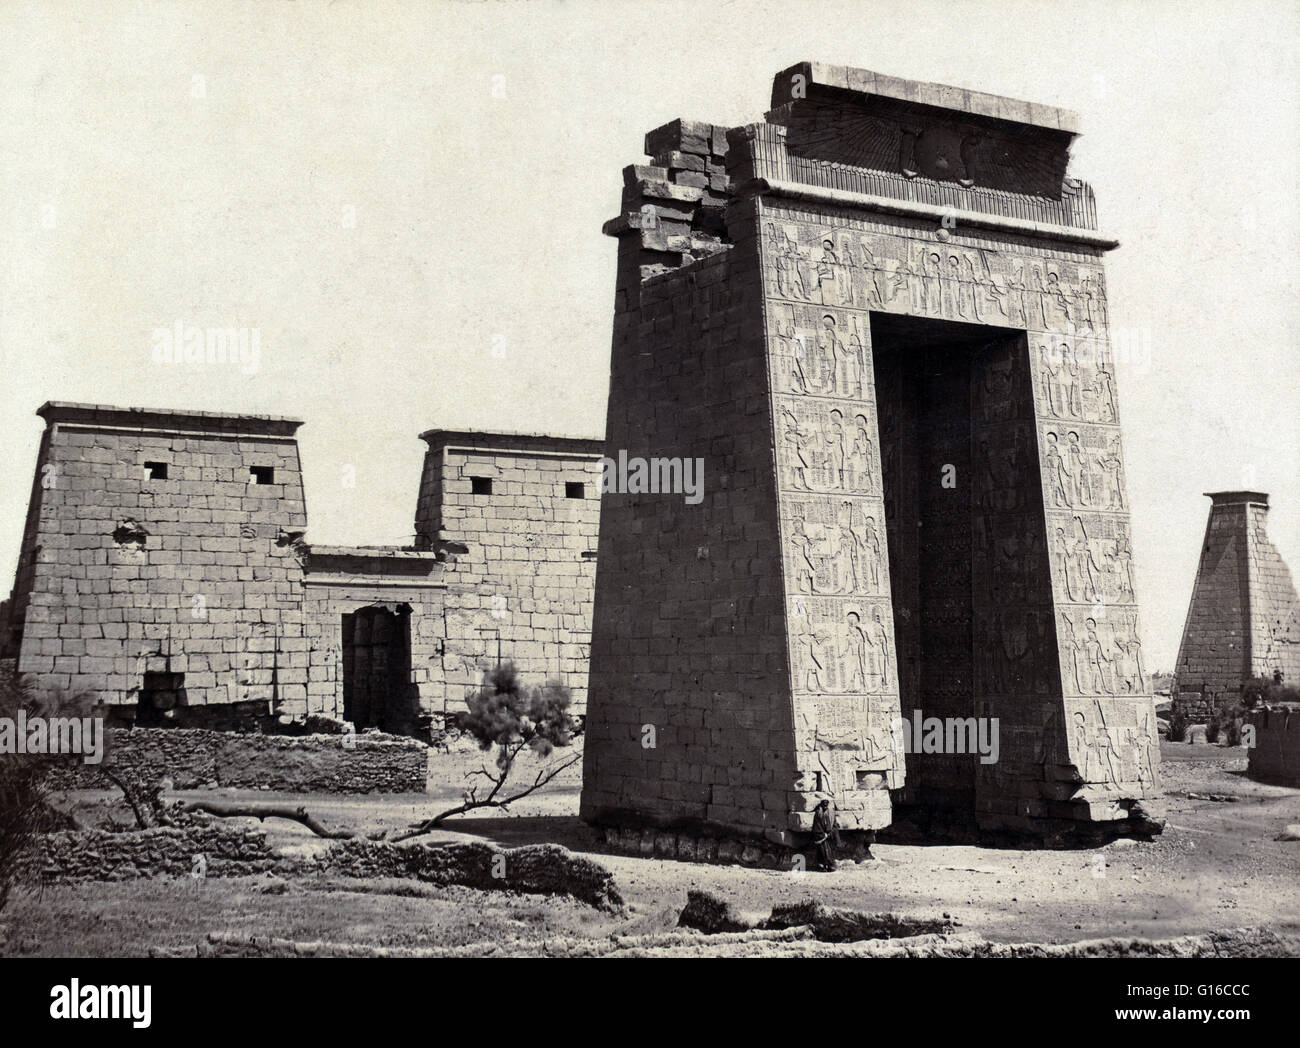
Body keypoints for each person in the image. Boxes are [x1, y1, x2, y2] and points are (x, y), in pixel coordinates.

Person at [812, 798, 841, 872]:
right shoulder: (818, 814)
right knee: (824, 852)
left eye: (826, 805)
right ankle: (824, 866)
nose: (825, 806)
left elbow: (834, 824)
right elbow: (816, 825)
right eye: (823, 805)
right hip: (822, 836)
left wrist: (832, 833)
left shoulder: (831, 813)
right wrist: (822, 834)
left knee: (830, 852)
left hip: (830, 835)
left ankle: (831, 866)